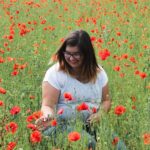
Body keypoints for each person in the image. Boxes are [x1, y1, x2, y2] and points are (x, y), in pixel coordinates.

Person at [35, 29, 111, 150]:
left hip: (91, 126)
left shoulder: (99, 73)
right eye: (68, 53)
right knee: (89, 143)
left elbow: (106, 101)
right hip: (61, 126)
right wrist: (48, 116)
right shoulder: (55, 74)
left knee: (117, 146)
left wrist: (100, 114)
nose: (71, 58)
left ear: (87, 54)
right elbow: (48, 105)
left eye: (76, 54)